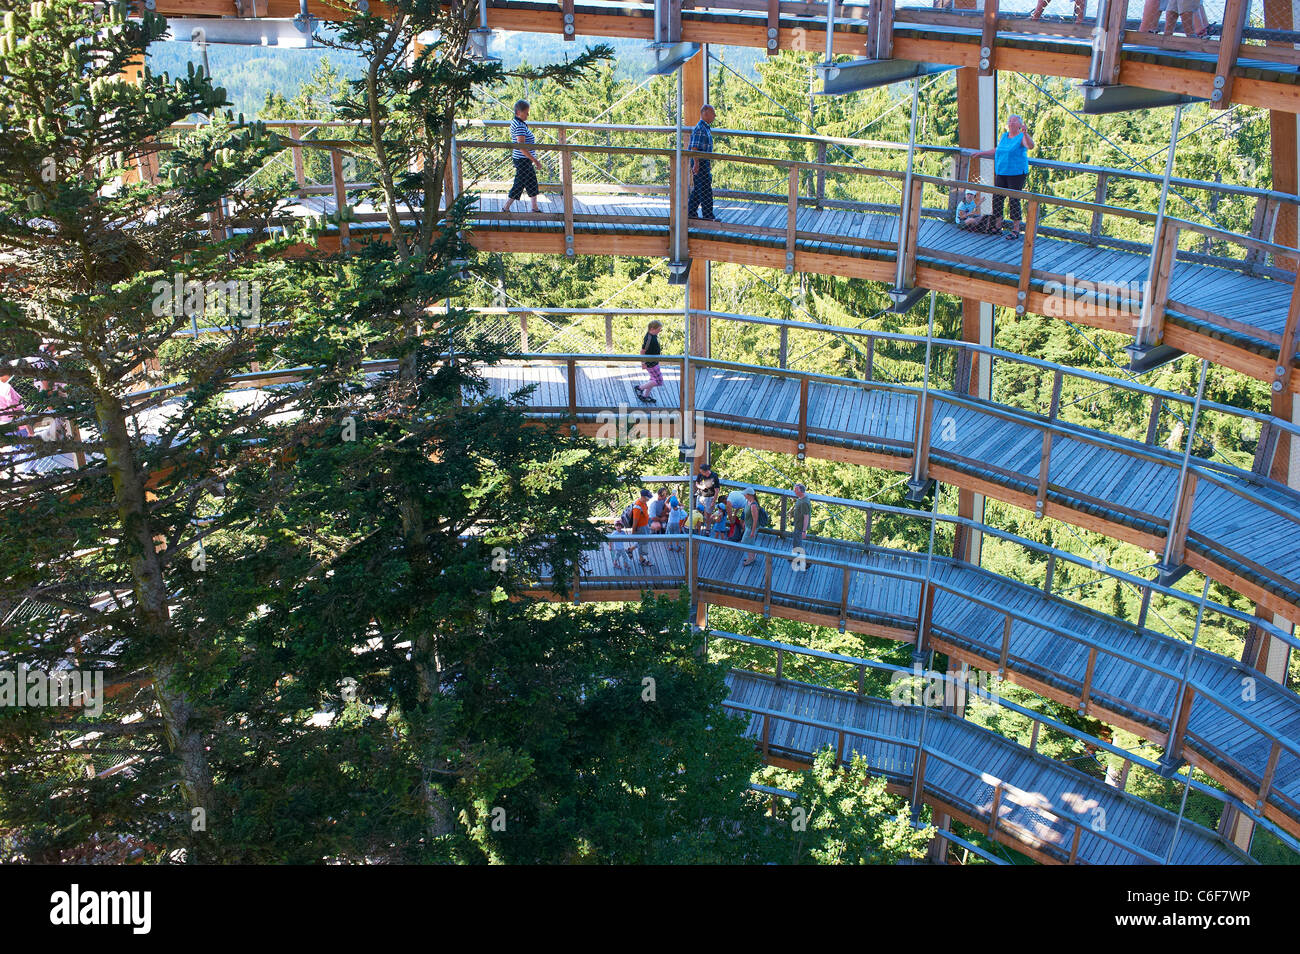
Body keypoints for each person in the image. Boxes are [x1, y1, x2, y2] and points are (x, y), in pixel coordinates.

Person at [971, 115, 1035, 240]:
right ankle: (998, 225)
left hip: (1016, 173)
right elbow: (998, 149)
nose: (1011, 123)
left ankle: (1016, 229)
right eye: (1010, 121)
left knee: (1014, 199)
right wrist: (981, 153)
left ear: (1019, 124)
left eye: (1014, 121)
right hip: (1001, 171)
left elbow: (1030, 146)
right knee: (997, 198)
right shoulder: (1004, 136)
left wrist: (1025, 133)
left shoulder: (1021, 136)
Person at [502, 100, 542, 215]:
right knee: (519, 183)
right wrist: (535, 160)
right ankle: (506, 207)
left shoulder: (517, 123)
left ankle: (534, 207)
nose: (527, 115)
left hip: (523, 159)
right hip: (523, 159)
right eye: (526, 112)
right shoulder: (519, 125)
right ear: (519, 112)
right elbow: (522, 147)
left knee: (531, 181)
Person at [687, 104, 718, 222]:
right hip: (700, 162)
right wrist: (696, 163)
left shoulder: (705, 128)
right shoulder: (700, 128)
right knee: (705, 190)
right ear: (705, 113)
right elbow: (694, 148)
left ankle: (691, 212)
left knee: (699, 188)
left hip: (703, 161)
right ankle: (708, 215)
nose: (714, 116)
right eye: (712, 113)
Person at [634, 320, 663, 404]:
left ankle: (645, 396)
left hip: (654, 362)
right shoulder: (649, 339)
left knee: (653, 379)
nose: (659, 331)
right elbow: (642, 351)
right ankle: (640, 388)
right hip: (651, 364)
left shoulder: (653, 336)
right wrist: (643, 363)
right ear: (652, 329)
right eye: (658, 329)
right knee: (659, 381)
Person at [629, 488, 653, 567]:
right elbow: (635, 521)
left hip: (645, 526)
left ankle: (630, 549)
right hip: (640, 528)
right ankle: (641, 559)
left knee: (642, 541)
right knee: (642, 543)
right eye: (647, 497)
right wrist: (633, 531)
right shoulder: (637, 507)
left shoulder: (644, 503)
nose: (649, 499)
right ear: (643, 497)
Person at [739, 487, 760, 567]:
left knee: (746, 542)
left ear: (749, 495)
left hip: (751, 527)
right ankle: (752, 557)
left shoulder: (753, 506)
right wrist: (745, 522)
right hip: (748, 525)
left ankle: (750, 558)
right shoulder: (748, 502)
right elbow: (747, 515)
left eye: (745, 494)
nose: (744, 495)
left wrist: (753, 532)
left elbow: (755, 520)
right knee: (750, 542)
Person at [790, 483, 811, 553]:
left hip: (800, 527)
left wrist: (804, 531)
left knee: (797, 545)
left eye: (796, 490)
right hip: (797, 524)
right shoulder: (801, 498)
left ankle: (806, 558)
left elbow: (806, 517)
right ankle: (796, 555)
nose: (794, 491)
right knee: (796, 543)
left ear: (801, 491)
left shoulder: (804, 503)